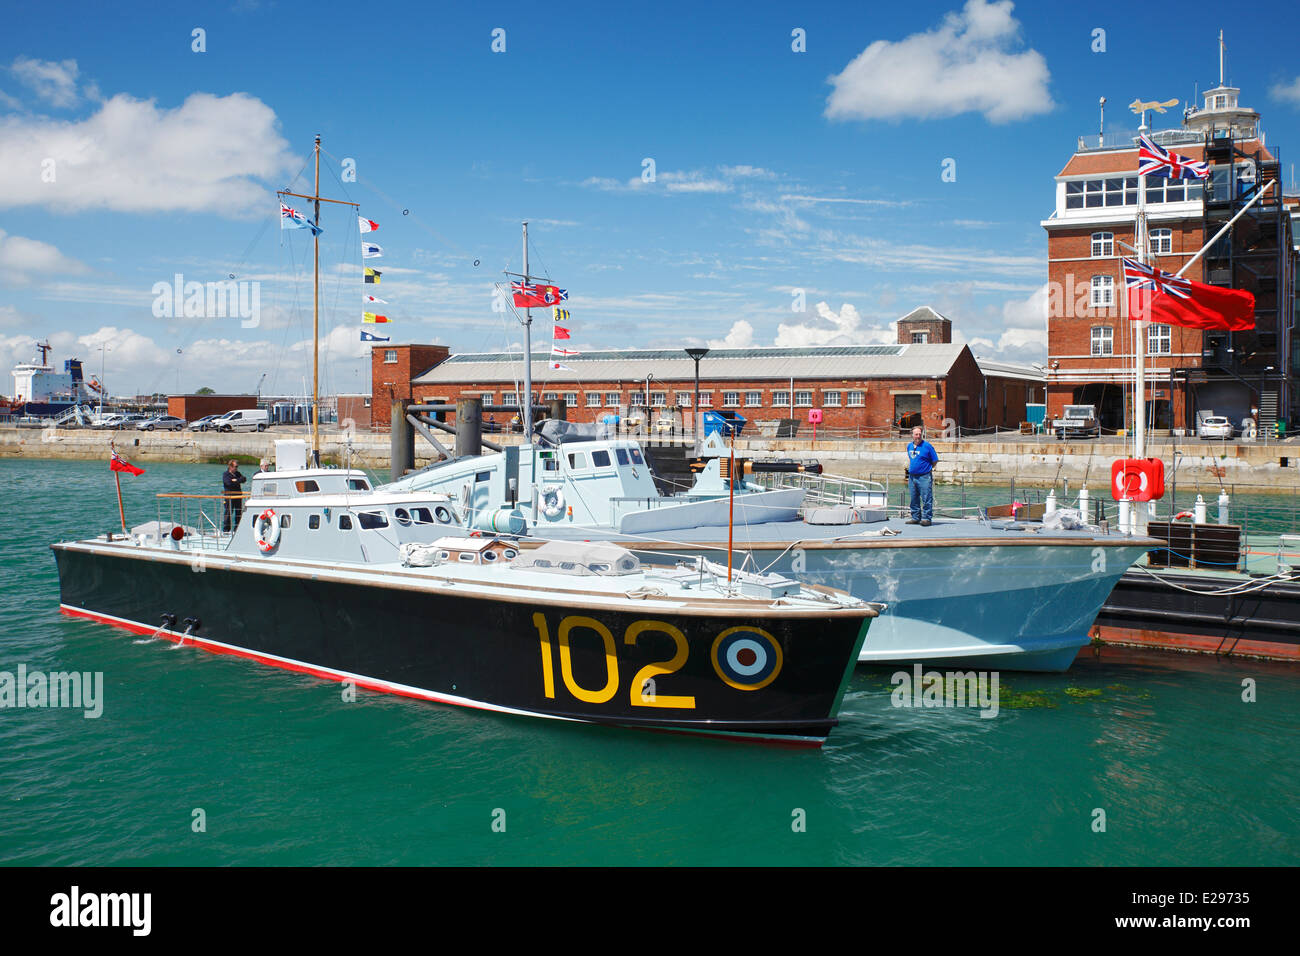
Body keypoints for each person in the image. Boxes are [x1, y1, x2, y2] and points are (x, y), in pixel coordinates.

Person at [904, 425, 938, 526]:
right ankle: (915, 517)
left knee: (926, 498)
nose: (918, 436)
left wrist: (928, 469)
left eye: (919, 434)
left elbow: (935, 460)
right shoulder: (909, 446)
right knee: (914, 498)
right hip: (912, 477)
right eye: (916, 434)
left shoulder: (927, 446)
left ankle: (926, 518)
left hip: (924, 477)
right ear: (912, 435)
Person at [222, 459, 247, 532]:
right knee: (228, 513)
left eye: (237, 467)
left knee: (238, 513)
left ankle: (237, 529)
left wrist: (236, 480)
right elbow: (228, 483)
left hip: (238, 496)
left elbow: (244, 479)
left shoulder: (237, 473)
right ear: (230, 466)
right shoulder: (226, 474)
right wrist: (237, 480)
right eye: (235, 466)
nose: (236, 468)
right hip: (229, 497)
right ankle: (226, 530)